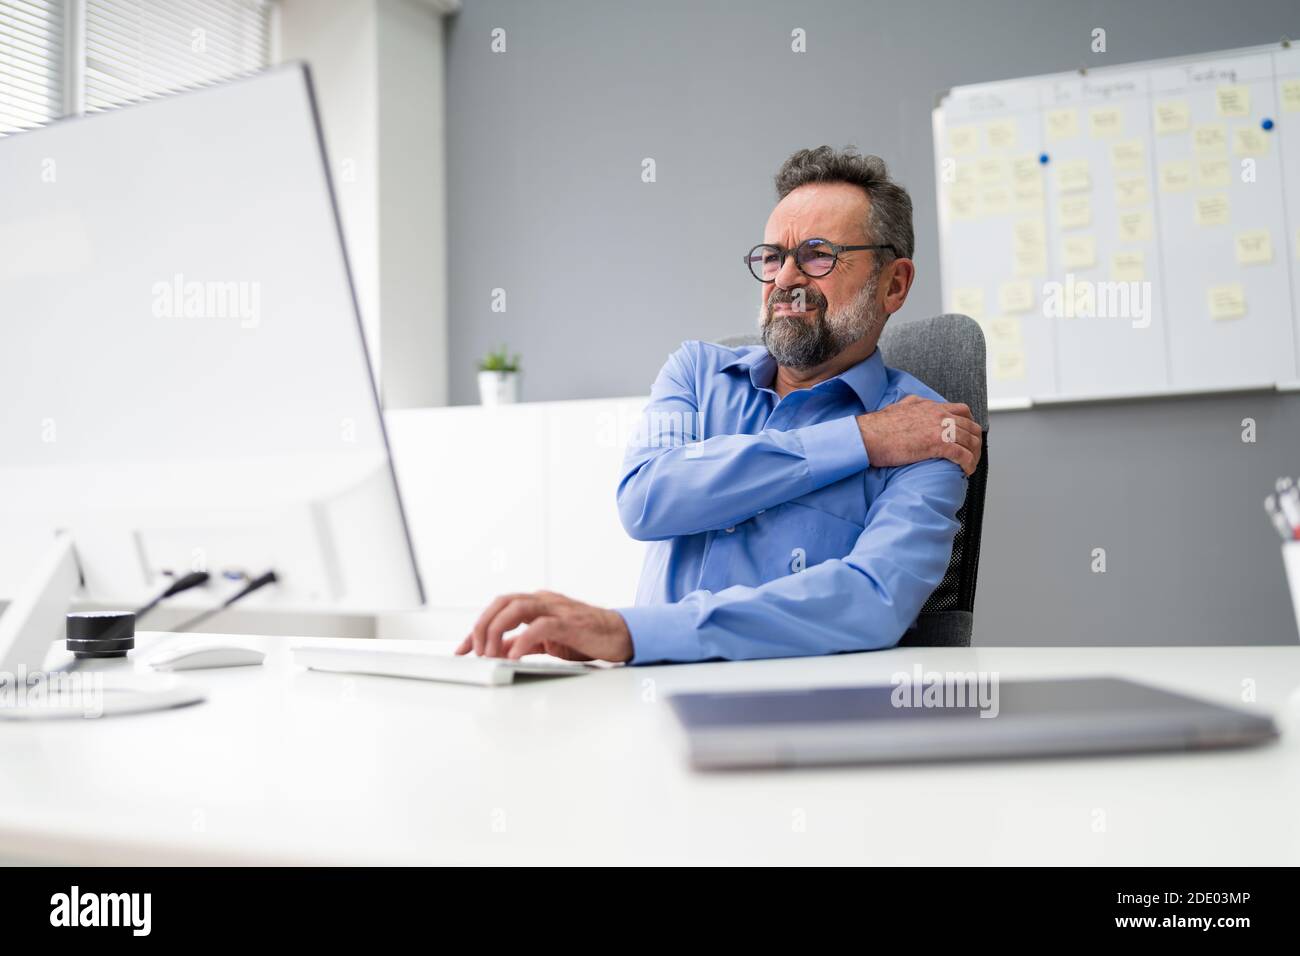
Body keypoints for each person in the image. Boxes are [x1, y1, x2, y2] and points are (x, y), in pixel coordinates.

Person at [456, 146, 982, 664]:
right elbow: (646, 501)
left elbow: (871, 601)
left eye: (818, 254)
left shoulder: (929, 431)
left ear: (894, 284)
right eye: (773, 256)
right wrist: (859, 441)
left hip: (806, 719)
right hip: (645, 701)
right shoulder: (695, 373)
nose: (784, 280)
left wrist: (632, 633)